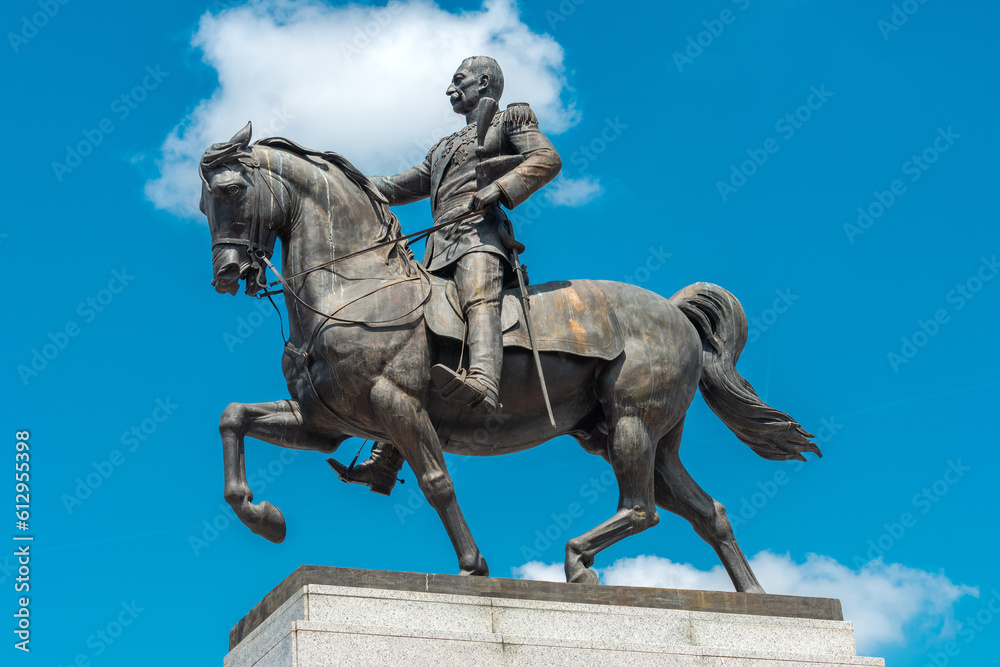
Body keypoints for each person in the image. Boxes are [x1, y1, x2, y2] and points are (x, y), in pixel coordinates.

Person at [334, 56, 561, 494]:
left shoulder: (509, 119)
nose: (450, 89)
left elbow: (546, 160)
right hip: (436, 253)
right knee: (407, 335)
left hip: (480, 241)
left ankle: (484, 382)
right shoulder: (441, 147)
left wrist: (497, 190)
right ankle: (386, 457)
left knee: (479, 298)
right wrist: (344, 179)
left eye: (458, 81)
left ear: (484, 82)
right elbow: (399, 186)